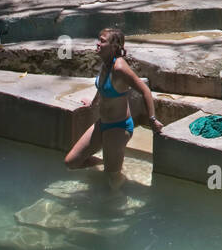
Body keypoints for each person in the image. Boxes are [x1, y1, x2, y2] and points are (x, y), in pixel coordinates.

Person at [65, 27, 162, 181]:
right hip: (102, 123)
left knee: (112, 180)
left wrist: (152, 119)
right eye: (99, 39)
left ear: (114, 46)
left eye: (102, 41)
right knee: (72, 162)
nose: (97, 44)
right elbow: (103, 86)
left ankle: (116, 178)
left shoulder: (120, 69)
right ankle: (110, 163)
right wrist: (94, 102)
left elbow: (145, 91)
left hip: (118, 127)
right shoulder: (105, 63)